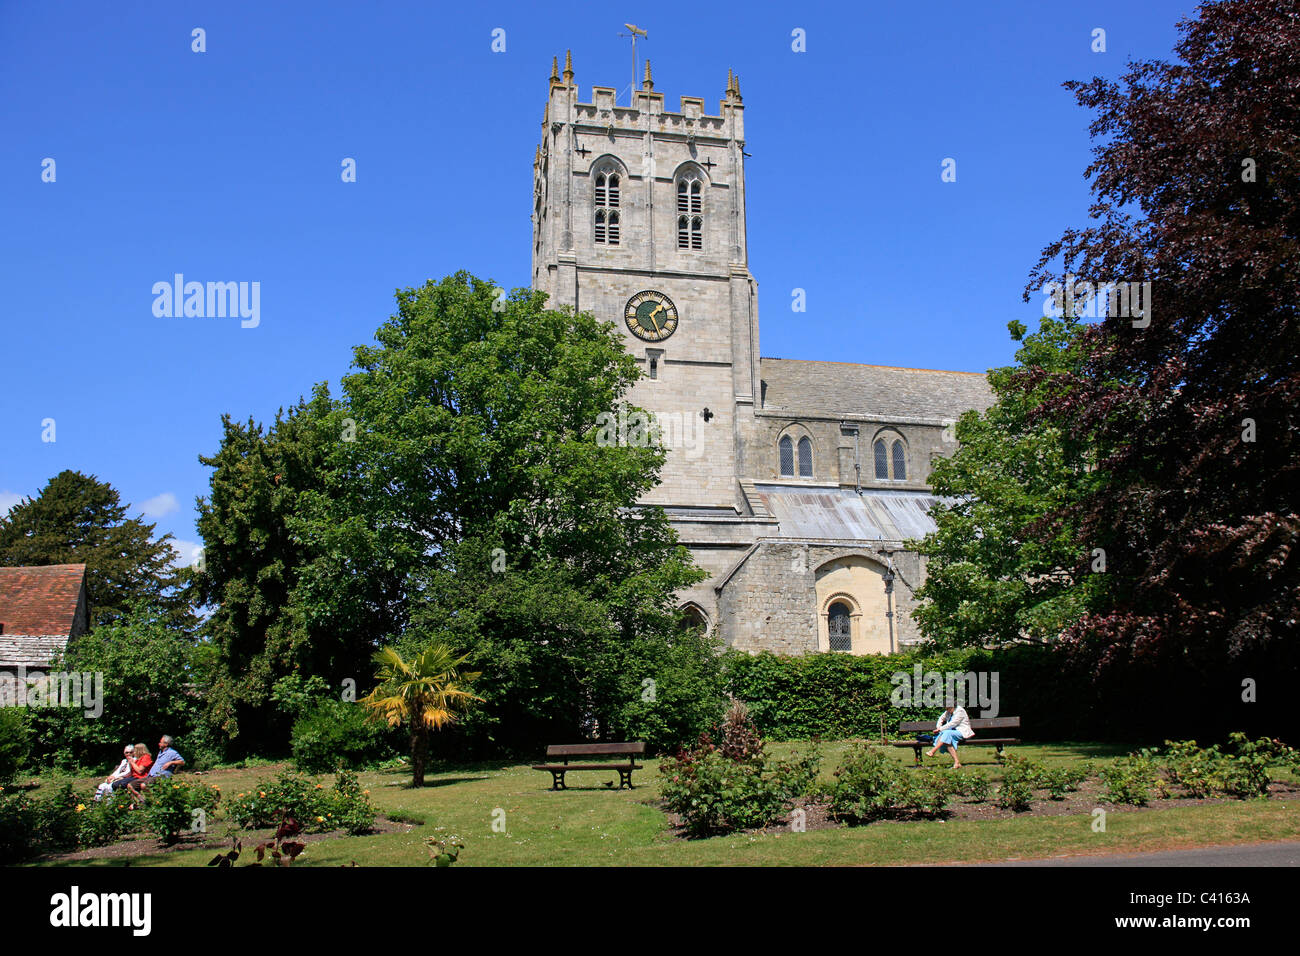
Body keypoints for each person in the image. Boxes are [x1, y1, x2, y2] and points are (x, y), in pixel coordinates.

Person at [925, 702, 973, 768]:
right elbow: (941, 718)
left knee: (946, 733)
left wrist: (940, 729)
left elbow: (952, 723)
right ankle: (957, 762)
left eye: (948, 708)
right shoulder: (948, 711)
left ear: (952, 706)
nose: (947, 710)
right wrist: (938, 727)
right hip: (951, 733)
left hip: (961, 732)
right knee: (947, 739)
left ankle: (933, 750)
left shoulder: (960, 711)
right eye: (946, 709)